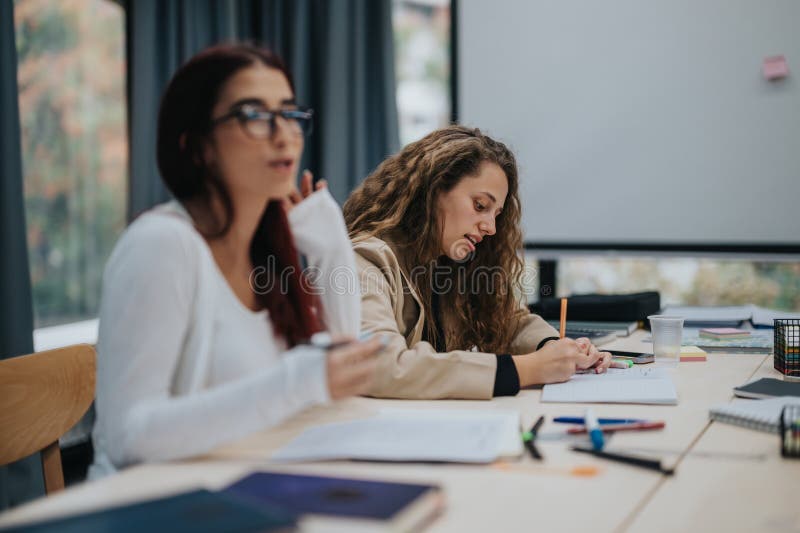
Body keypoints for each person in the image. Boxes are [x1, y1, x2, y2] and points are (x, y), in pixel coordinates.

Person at [89, 43, 381, 477]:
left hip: (247, 485)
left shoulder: (266, 249)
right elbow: (129, 438)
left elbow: (340, 367)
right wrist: (296, 381)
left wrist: (330, 243)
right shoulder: (161, 245)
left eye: (289, 113)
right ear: (199, 145)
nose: (283, 134)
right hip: (158, 506)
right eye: (254, 115)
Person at [342, 125, 611, 400]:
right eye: (480, 206)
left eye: (496, 214)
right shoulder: (364, 260)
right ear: (433, 190)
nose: (491, 228)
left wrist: (556, 347)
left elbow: (506, 321)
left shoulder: (446, 261)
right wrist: (528, 369)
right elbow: (380, 366)